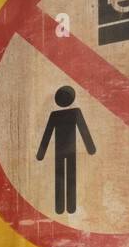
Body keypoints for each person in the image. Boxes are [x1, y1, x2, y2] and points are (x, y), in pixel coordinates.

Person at [35, 85, 96, 215]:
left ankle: (61, 207)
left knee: (61, 177)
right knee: (69, 177)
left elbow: (47, 135)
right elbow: (83, 132)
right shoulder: (74, 113)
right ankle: (70, 207)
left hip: (61, 151)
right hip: (69, 151)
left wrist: (41, 154)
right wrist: (90, 148)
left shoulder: (57, 114)